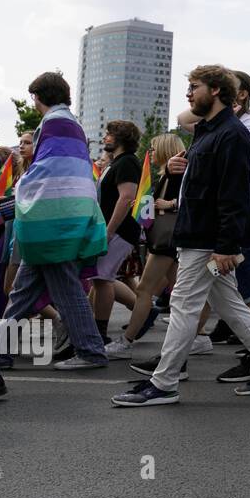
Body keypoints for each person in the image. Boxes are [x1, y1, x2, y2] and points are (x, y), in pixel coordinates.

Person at [112, 66, 250, 406]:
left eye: (194, 87)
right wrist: (172, 168)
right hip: (197, 234)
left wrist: (226, 246)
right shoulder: (208, 131)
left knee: (183, 305)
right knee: (229, 302)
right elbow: (202, 185)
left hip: (207, 239)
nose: (188, 93)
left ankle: (164, 383)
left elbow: (233, 194)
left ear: (216, 91)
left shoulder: (233, 134)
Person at [0, 73, 109, 402]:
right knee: (22, 294)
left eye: (33, 99)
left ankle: (90, 350)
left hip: (52, 223)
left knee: (64, 289)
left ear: (39, 97)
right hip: (64, 218)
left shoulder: (53, 124)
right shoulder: (71, 123)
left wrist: (18, 194)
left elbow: (48, 175)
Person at [105, 133, 186, 358]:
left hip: (165, 240)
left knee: (144, 290)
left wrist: (168, 204)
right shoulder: (168, 174)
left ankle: (127, 340)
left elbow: (189, 199)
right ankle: (194, 338)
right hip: (166, 239)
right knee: (182, 294)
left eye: (154, 147)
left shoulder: (176, 173)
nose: (151, 152)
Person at [88, 120, 143, 345]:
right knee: (99, 278)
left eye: (109, 134)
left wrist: (109, 231)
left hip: (120, 230)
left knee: (103, 278)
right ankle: (94, 328)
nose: (105, 138)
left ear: (121, 137)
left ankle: (99, 334)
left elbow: (127, 198)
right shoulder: (116, 163)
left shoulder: (128, 162)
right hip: (112, 229)